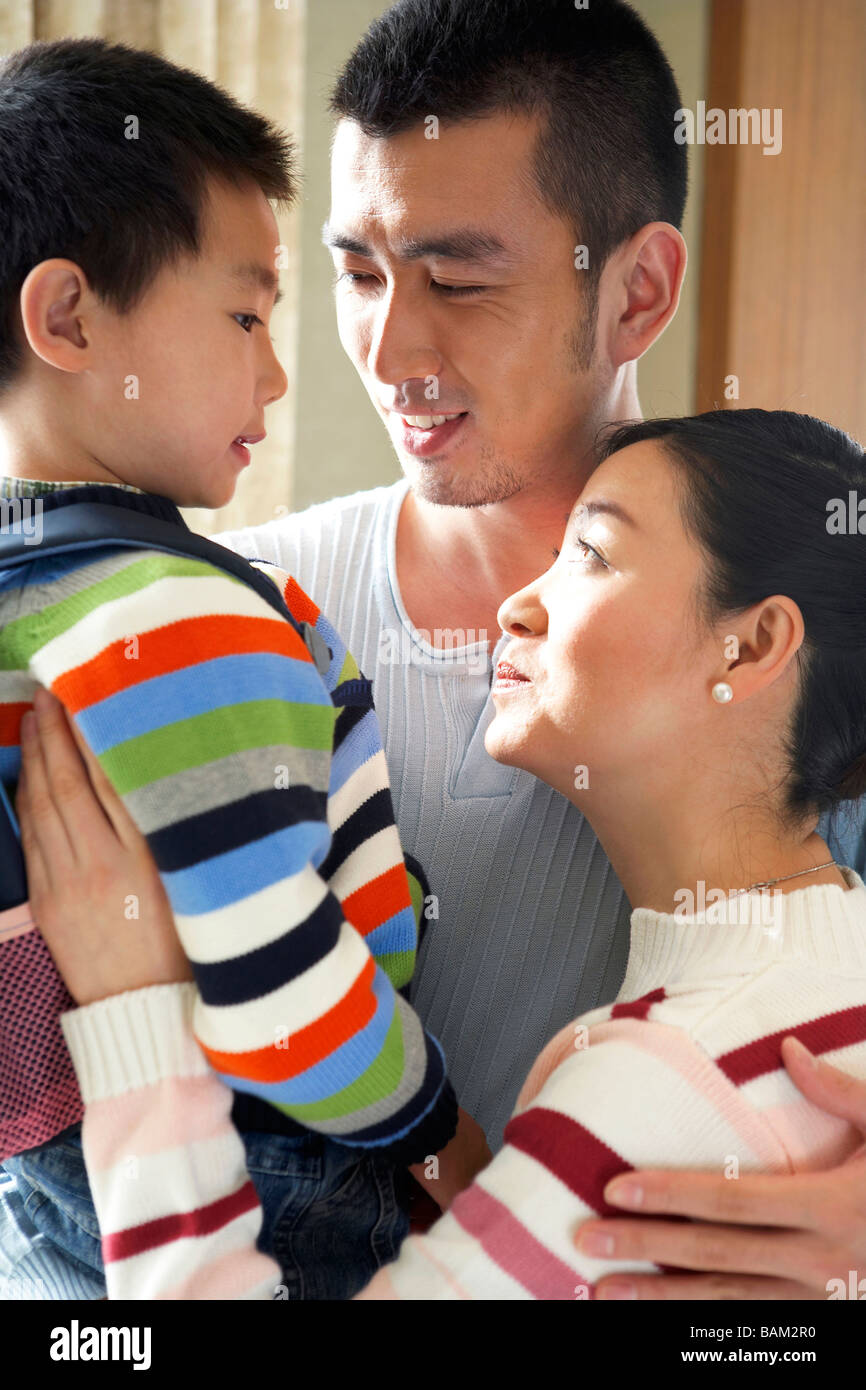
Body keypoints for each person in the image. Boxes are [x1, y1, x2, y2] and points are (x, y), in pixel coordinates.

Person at [7, 0, 866, 1300]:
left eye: (458, 278)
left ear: (634, 290)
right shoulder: (211, 627)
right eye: (356, 273)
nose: (389, 348)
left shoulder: (789, 631)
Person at [16, 407, 866, 1300]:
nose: (516, 606)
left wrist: (136, 1020)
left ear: (757, 642)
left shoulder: (652, 1102)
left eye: (592, 554)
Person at [0, 35, 468, 1303]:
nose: (273, 372)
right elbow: (275, 987)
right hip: (267, 1170)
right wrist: (435, 1128)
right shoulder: (177, 621)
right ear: (68, 317)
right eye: (246, 315)